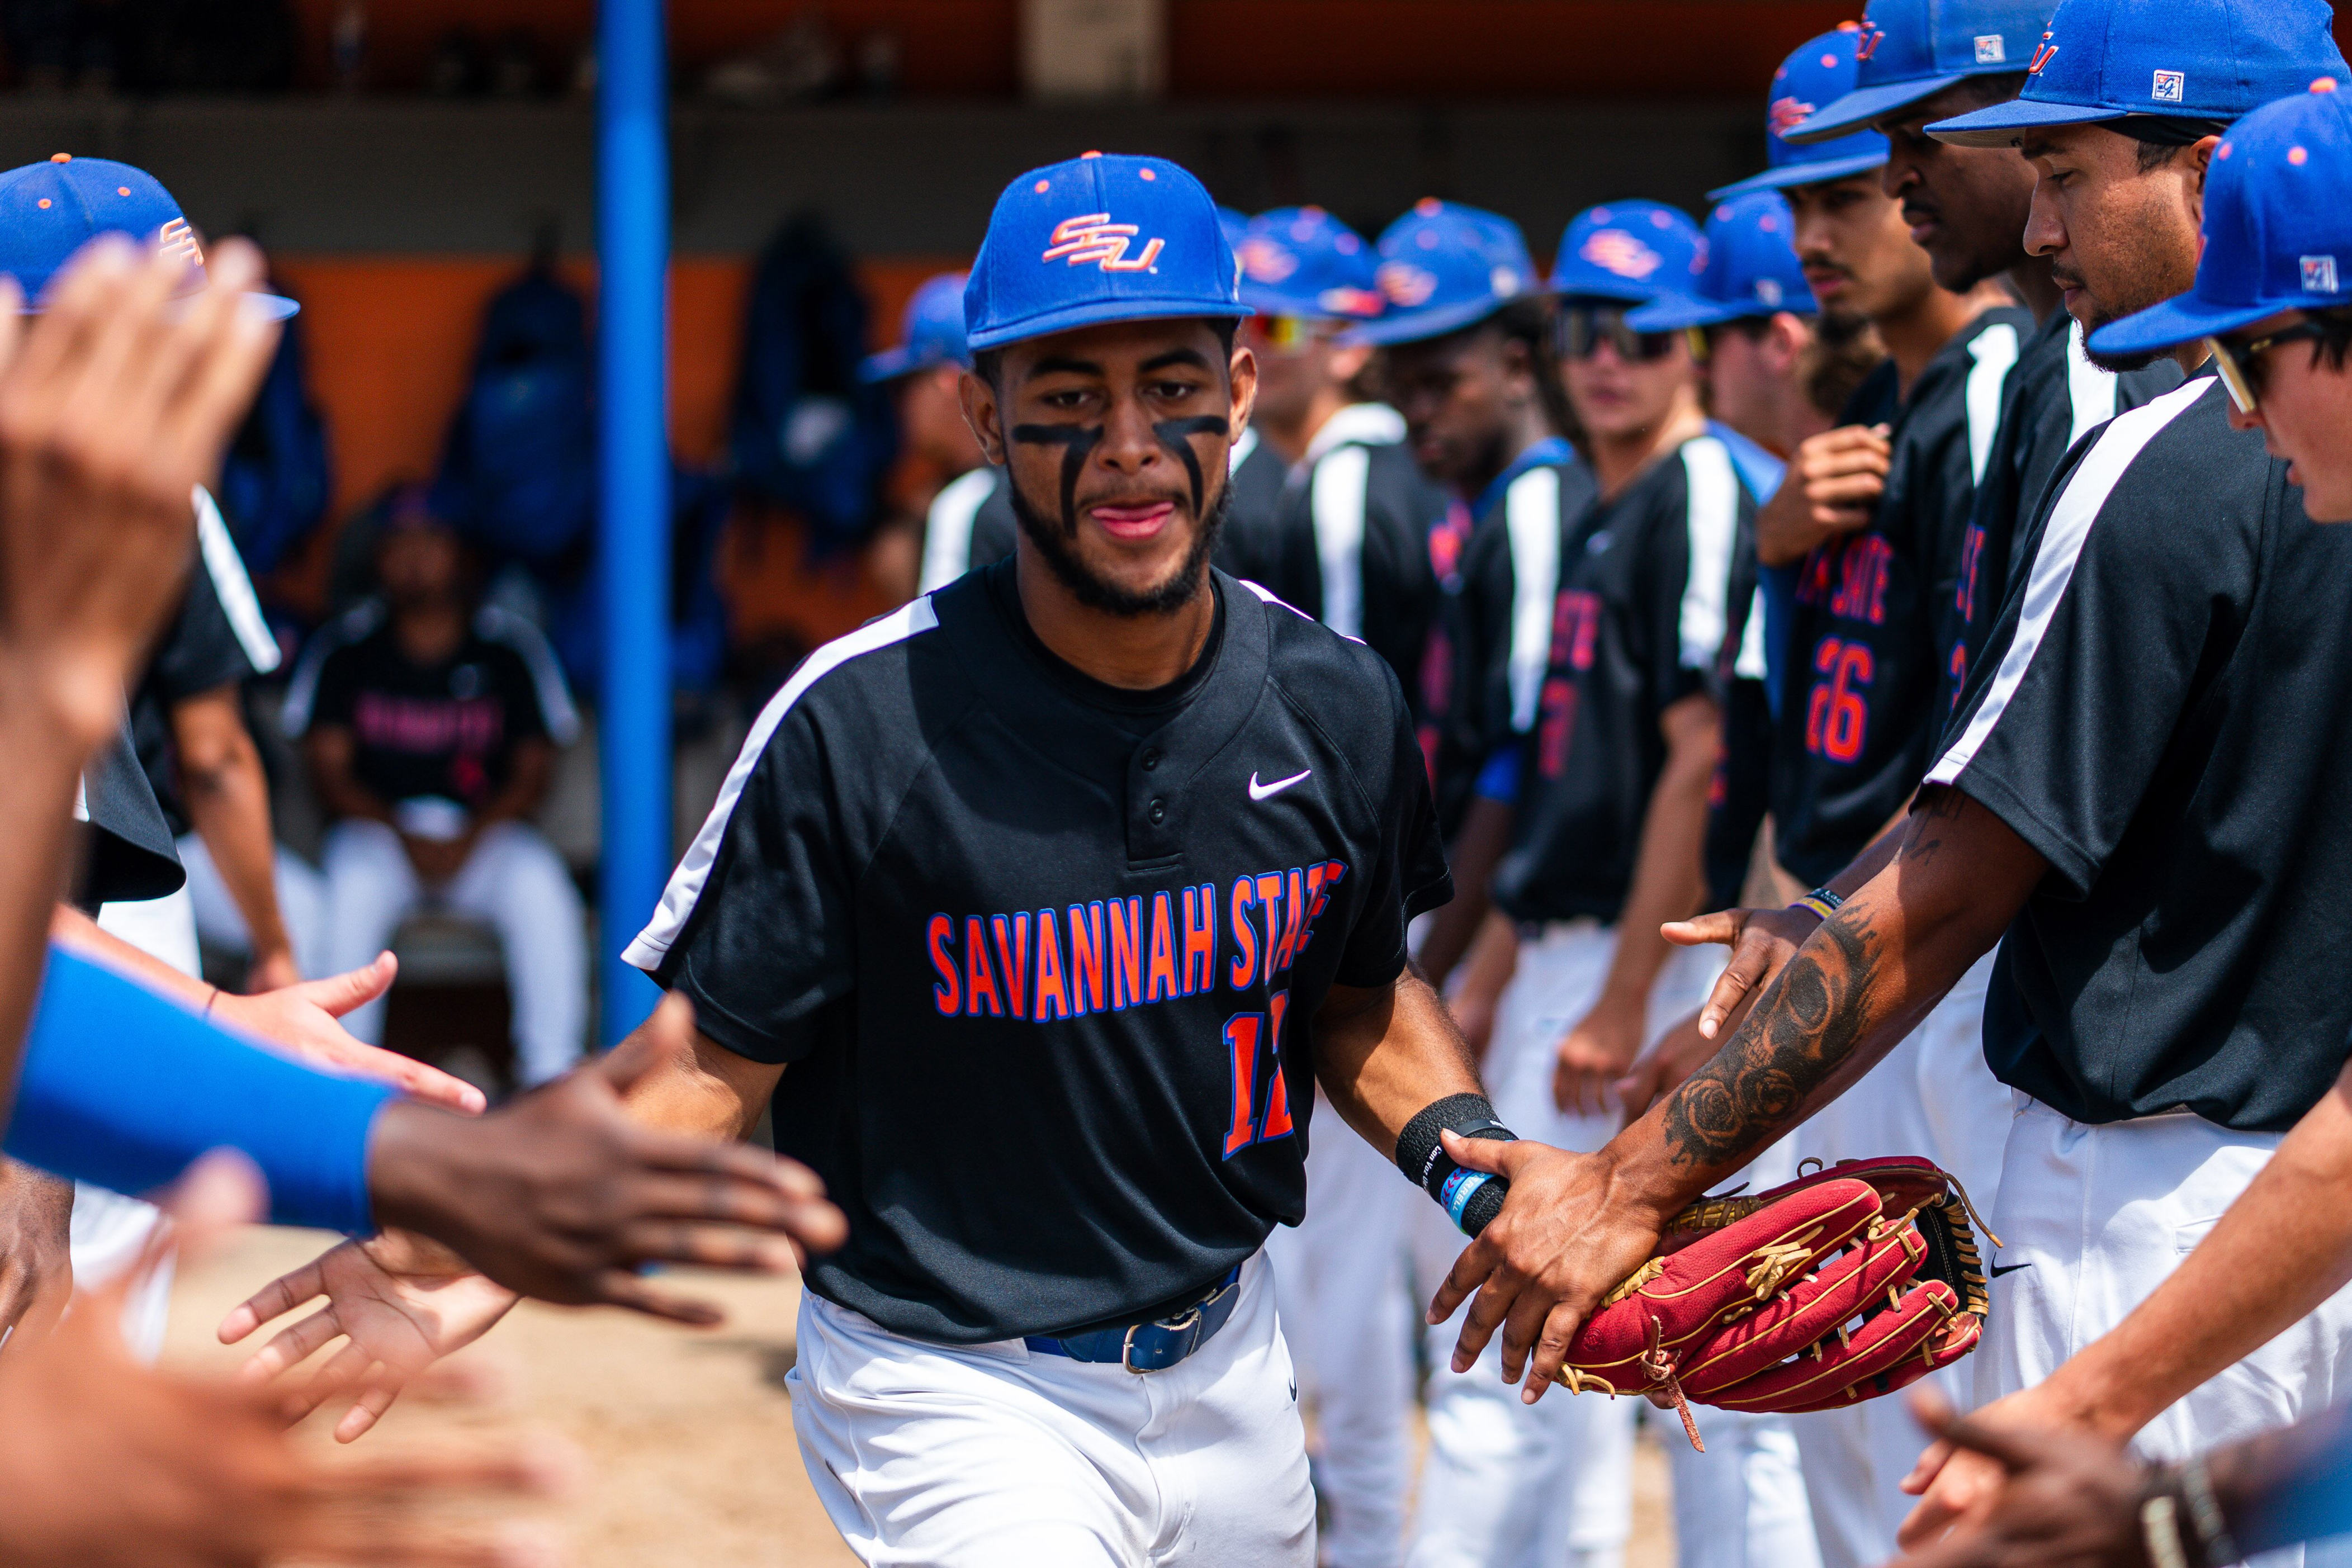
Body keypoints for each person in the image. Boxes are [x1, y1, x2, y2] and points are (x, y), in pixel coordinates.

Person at [240, 149, 1601, 1566]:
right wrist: (473, 1232)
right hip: (951, 1382)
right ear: (981, 415)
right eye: (1069, 397)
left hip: (1230, 1359)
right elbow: (701, 1067)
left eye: (1173, 386)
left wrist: (1466, 1164)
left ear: (1242, 394)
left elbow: (1356, 989)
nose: (1130, 440)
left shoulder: (1335, 697)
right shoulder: (860, 721)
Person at [1415, 9, 2352, 1568]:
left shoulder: (2173, 454)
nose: (2026, 211)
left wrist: (1632, 1183)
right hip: (2288, 1220)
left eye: (2057, 164)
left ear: (2210, 169)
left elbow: (1961, 871)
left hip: (2150, 1219)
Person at [1236, 200, 1433, 1568]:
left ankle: (1367, 1539)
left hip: (1367, 902)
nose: (1263, 346)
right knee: (1352, 1279)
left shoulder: (1354, 479)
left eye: (1280, 326)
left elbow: (1363, 720)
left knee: (1349, 1289)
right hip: (1401, 889)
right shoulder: (1331, 472)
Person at [1355, 199, 1585, 987]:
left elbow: (1518, 763)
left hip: (1517, 945)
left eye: (1442, 383)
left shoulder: (1533, 506)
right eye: (1402, 386)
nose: (1417, 410)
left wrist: (1436, 969)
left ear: (1517, 368)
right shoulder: (1486, 509)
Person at [284, 492, 587, 1087]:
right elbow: (329, 773)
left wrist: (472, 837)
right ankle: (342, 1081)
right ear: (378, 557)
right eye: (400, 543)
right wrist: (400, 835)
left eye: (433, 540)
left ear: (463, 555)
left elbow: (533, 772)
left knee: (542, 888)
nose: (417, 557)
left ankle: (552, 1078)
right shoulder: (348, 648)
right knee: (350, 895)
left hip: (485, 836)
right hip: (378, 835)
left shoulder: (507, 647)